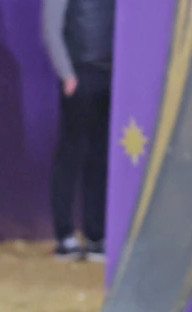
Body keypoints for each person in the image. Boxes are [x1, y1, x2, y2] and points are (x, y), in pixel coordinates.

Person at [42, 0, 114, 261]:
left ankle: (95, 235)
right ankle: (65, 235)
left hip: (109, 75)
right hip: (80, 74)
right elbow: (51, 28)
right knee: (70, 155)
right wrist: (67, 74)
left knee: (100, 158)